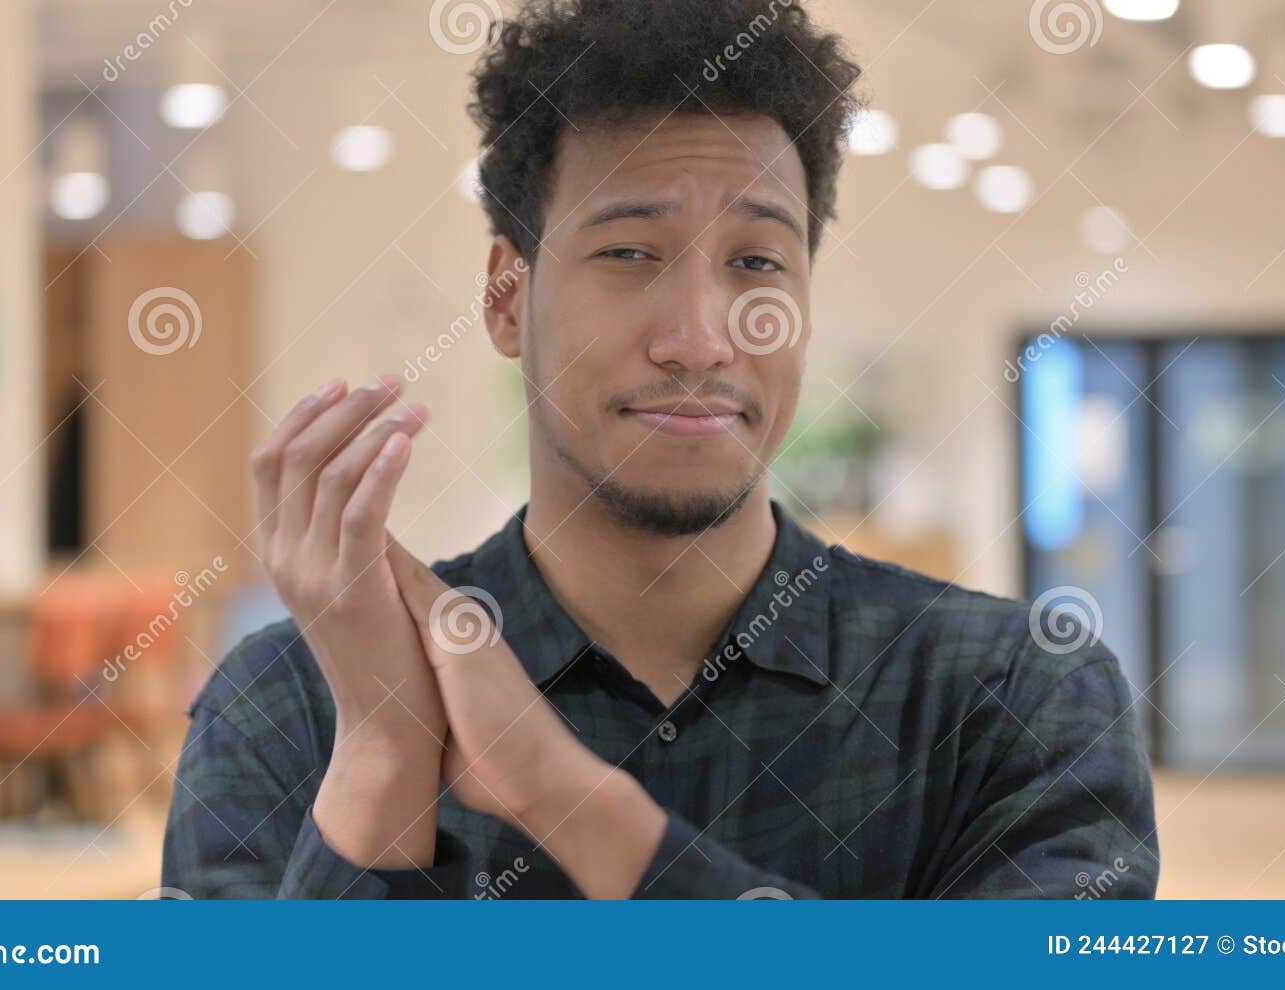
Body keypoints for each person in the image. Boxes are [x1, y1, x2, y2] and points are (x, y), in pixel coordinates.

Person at [161, 0, 1157, 899]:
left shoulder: (1009, 698)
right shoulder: (292, 704)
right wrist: (382, 749)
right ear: (508, 297)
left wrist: (571, 803)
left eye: (758, 262)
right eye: (630, 254)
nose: (700, 338)